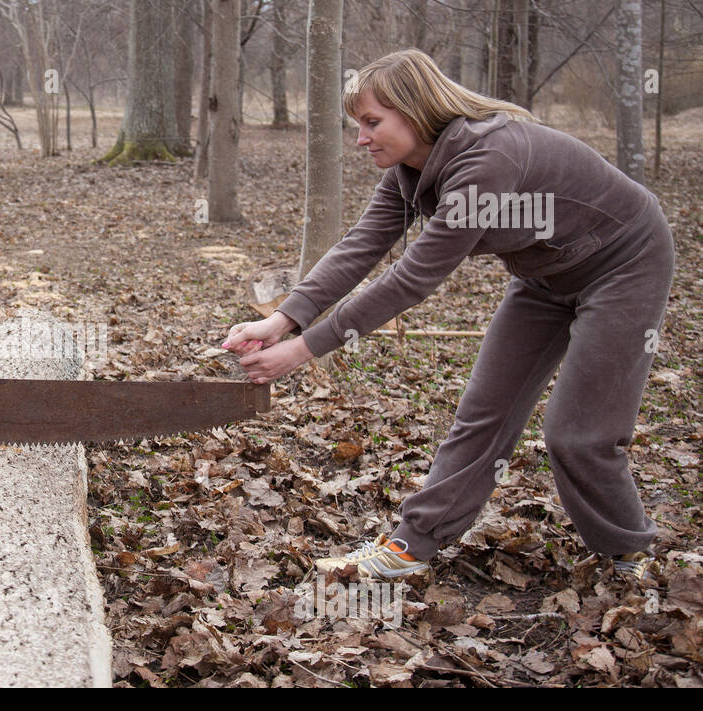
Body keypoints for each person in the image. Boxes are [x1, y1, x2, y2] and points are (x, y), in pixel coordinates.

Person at [222, 49, 672, 583]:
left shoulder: (489, 159)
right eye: (357, 125)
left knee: (577, 435)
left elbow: (412, 278)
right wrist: (283, 322)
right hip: (542, 277)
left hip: (624, 263)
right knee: (484, 413)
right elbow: (361, 246)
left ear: (415, 110)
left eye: (372, 123)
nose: (362, 138)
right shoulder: (412, 170)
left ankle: (629, 555)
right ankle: (411, 546)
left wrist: (303, 350)